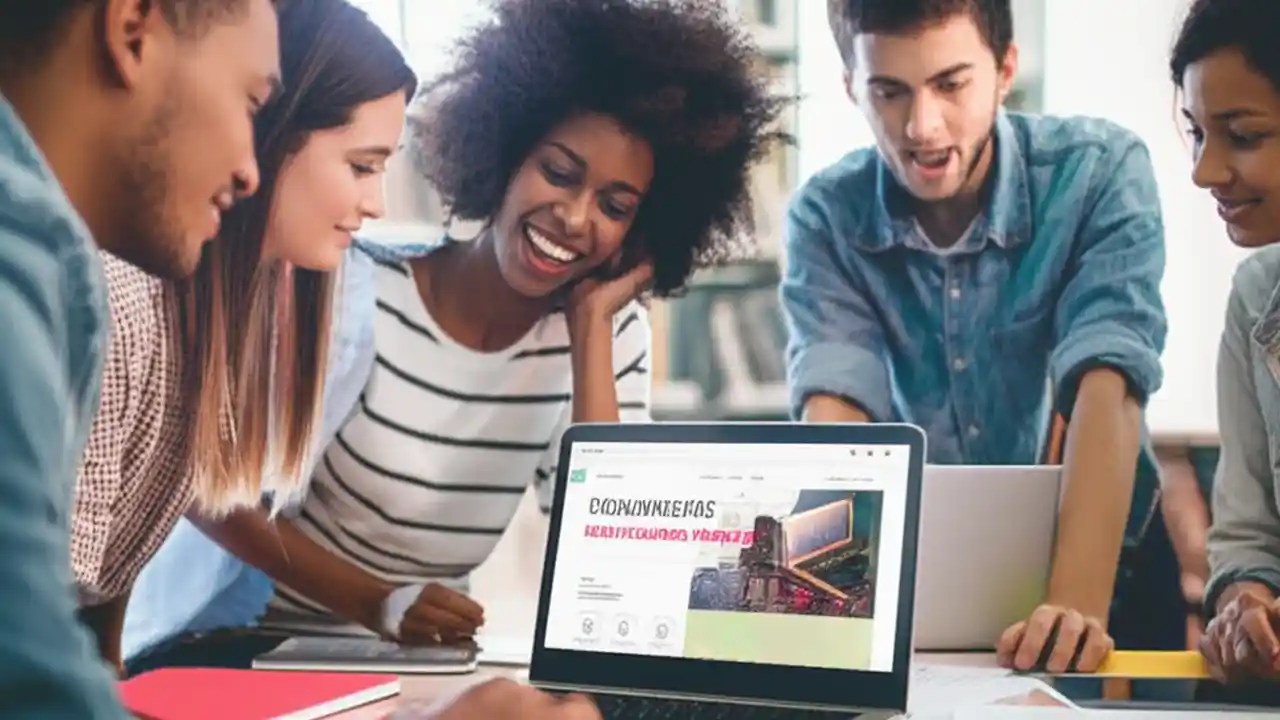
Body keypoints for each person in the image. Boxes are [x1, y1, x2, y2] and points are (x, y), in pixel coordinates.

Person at [123, 0, 789, 672]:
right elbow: (203, 484)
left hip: (421, 671)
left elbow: (614, 559)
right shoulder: (349, 286)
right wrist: (376, 602)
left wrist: (591, 332)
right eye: (558, 173)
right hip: (260, 650)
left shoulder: (609, 336)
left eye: (615, 207)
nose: (574, 217)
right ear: (504, 155)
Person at [784, 0, 1172, 673]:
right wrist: (826, 606)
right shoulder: (825, 215)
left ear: (1005, 69)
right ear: (851, 86)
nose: (922, 126)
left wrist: (1074, 606)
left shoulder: (1099, 172)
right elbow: (836, 415)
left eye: (951, 84)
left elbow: (1108, 380)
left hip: (1109, 551)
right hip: (930, 571)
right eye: (889, 91)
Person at [69, 0, 417, 672]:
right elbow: (41, 625)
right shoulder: (120, 303)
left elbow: (100, 607)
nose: (375, 203)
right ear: (272, 133)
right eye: (361, 166)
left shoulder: (209, 327)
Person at [0, 0, 280, 715]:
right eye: (250, 103)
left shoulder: (52, 262)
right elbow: (31, 689)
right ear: (132, 31)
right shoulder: (15, 259)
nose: (250, 171)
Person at [1173, 0, 1280, 702]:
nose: (1205, 171)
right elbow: (1245, 535)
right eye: (1197, 133)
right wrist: (1246, 606)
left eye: (1243, 135)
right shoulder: (1255, 298)